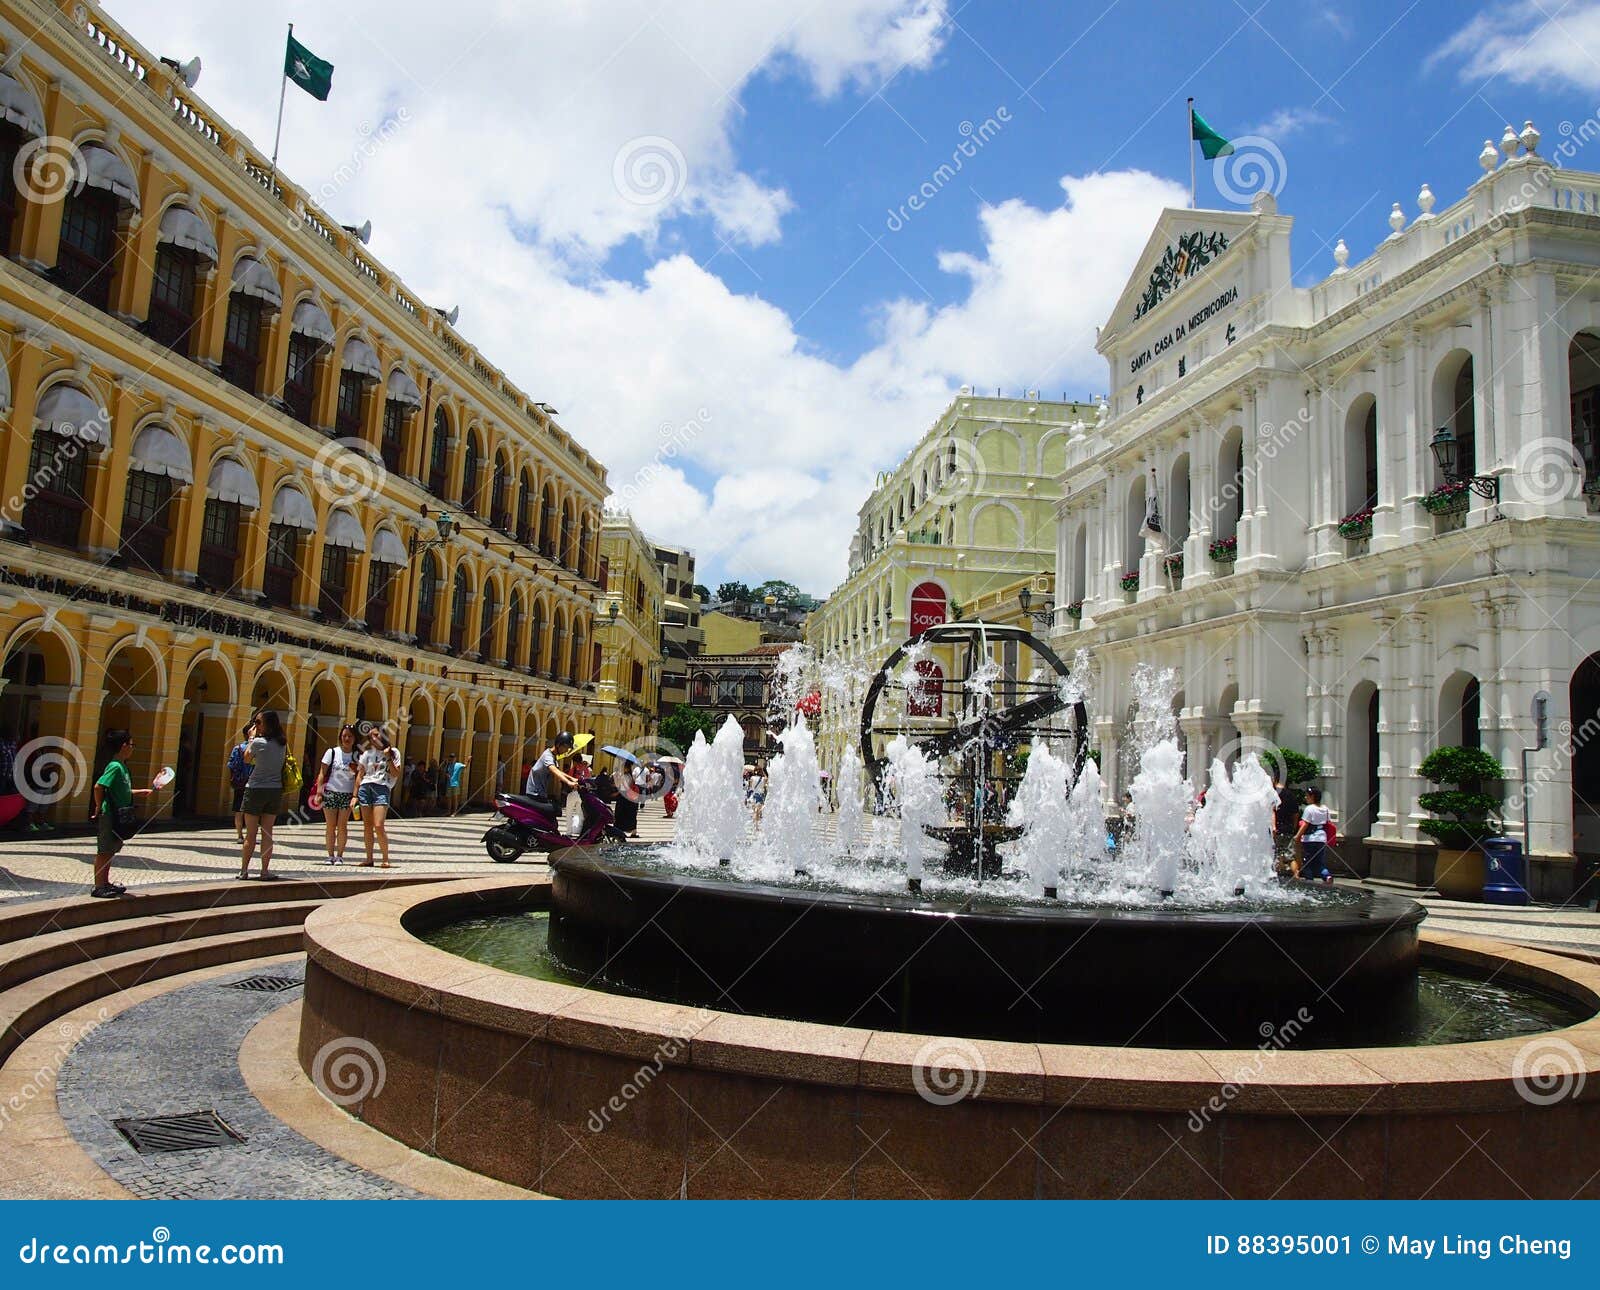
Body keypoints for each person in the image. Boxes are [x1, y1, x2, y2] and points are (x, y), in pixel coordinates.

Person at [88, 728, 160, 898]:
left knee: (111, 850)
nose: (133, 748)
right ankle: (99, 886)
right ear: (123, 746)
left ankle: (105, 883)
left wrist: (137, 792)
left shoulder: (122, 767)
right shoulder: (115, 766)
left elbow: (121, 790)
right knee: (104, 850)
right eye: (131, 744)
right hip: (110, 814)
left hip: (119, 814)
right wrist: (98, 807)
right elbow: (99, 786)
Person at [239, 711, 287, 880]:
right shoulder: (282, 744)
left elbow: (246, 758)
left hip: (255, 789)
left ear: (268, 725)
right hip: (274, 790)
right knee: (267, 832)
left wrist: (251, 739)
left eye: (258, 722)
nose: (256, 726)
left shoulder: (258, 742)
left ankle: (244, 870)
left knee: (250, 834)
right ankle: (264, 871)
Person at [357, 727, 402, 868]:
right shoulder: (366, 754)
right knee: (367, 826)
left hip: (381, 787)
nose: (374, 738)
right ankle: (369, 858)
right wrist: (354, 795)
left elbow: (395, 774)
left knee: (379, 825)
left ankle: (385, 858)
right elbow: (360, 775)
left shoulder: (394, 752)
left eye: (376, 735)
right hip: (365, 787)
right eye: (371, 736)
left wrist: (388, 757)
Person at [315, 724, 359, 866]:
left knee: (342, 825)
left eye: (350, 736)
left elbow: (359, 777)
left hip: (347, 794)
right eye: (344, 735)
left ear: (354, 738)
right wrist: (319, 792)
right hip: (330, 793)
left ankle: (340, 855)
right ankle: (330, 855)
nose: (347, 738)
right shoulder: (332, 752)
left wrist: (355, 795)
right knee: (330, 825)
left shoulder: (356, 756)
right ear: (340, 737)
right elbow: (322, 773)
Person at [526, 732, 578, 812]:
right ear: (558, 745)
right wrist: (568, 782)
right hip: (534, 793)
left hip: (540, 793)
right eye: (566, 747)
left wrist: (572, 778)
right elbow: (554, 770)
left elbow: (558, 771)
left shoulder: (553, 757)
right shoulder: (548, 756)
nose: (566, 751)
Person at [1294, 786, 1333, 884]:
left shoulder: (1309, 809)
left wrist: (1297, 836)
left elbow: (1305, 824)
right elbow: (1328, 823)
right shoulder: (1325, 809)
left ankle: (1309, 881)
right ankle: (1327, 875)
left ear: (1313, 797)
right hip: (1322, 838)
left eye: (1307, 796)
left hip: (1310, 839)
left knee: (1307, 862)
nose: (1306, 798)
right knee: (1320, 862)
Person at [226, 723, 252, 843]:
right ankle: (249, 834)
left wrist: (234, 778)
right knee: (251, 810)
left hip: (240, 782)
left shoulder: (237, 748)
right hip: (252, 782)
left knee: (238, 810)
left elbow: (231, 765)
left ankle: (239, 835)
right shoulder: (255, 748)